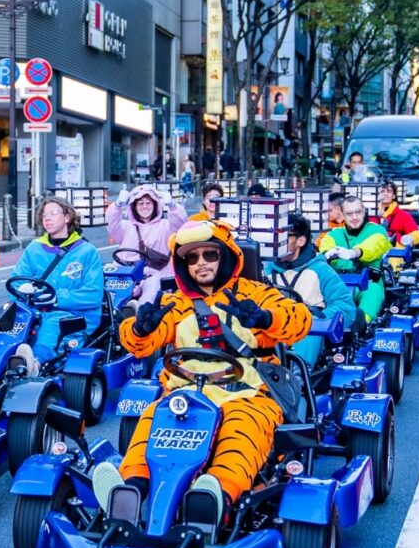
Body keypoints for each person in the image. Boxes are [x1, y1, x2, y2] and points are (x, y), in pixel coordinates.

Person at [93, 220, 312, 521]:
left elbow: (299, 320)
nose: (201, 263)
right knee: (153, 423)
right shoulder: (176, 303)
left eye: (210, 255)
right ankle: (130, 489)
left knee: (241, 430)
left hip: (246, 391)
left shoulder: (257, 293)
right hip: (186, 392)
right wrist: (141, 328)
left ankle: (216, 495)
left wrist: (264, 318)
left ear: (226, 256)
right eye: (192, 258)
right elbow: (139, 346)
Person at [0, 198, 106, 376]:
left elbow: (94, 295)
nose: (47, 219)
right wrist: (23, 290)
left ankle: (34, 364)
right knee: (9, 319)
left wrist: (57, 298)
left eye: (53, 213)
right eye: (44, 215)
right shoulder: (34, 248)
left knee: (52, 324)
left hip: (74, 314)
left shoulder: (86, 251)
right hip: (35, 310)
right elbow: (16, 282)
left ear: (67, 217)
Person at [266, 214, 357, 371]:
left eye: (284, 238)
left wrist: (318, 318)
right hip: (274, 325)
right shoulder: (265, 270)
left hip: (309, 331)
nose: (277, 243)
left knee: (306, 321)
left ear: (301, 241)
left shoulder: (320, 269)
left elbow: (346, 307)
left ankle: (298, 374)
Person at [107, 184, 188, 303]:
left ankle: (141, 316)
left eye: (148, 203)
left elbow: (180, 226)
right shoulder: (126, 226)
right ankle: (113, 316)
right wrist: (117, 206)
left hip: (153, 276)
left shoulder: (165, 226)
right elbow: (111, 225)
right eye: (140, 203)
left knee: (150, 292)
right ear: (134, 207)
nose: (144, 206)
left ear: (155, 205)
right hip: (125, 275)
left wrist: (173, 206)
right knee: (107, 292)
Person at [319, 195, 393, 321]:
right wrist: (326, 254)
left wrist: (354, 253)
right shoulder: (334, 234)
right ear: (342, 215)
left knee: (373, 292)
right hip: (338, 285)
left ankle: (361, 324)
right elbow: (325, 247)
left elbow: (374, 246)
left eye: (358, 212)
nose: (354, 217)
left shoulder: (377, 231)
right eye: (349, 214)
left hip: (368, 284)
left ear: (364, 211)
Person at [376, 182, 419, 247]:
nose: (385, 194)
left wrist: (410, 238)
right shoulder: (369, 215)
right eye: (382, 191)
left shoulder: (403, 215)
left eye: (389, 191)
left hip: (395, 252)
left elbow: (417, 234)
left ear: (394, 196)